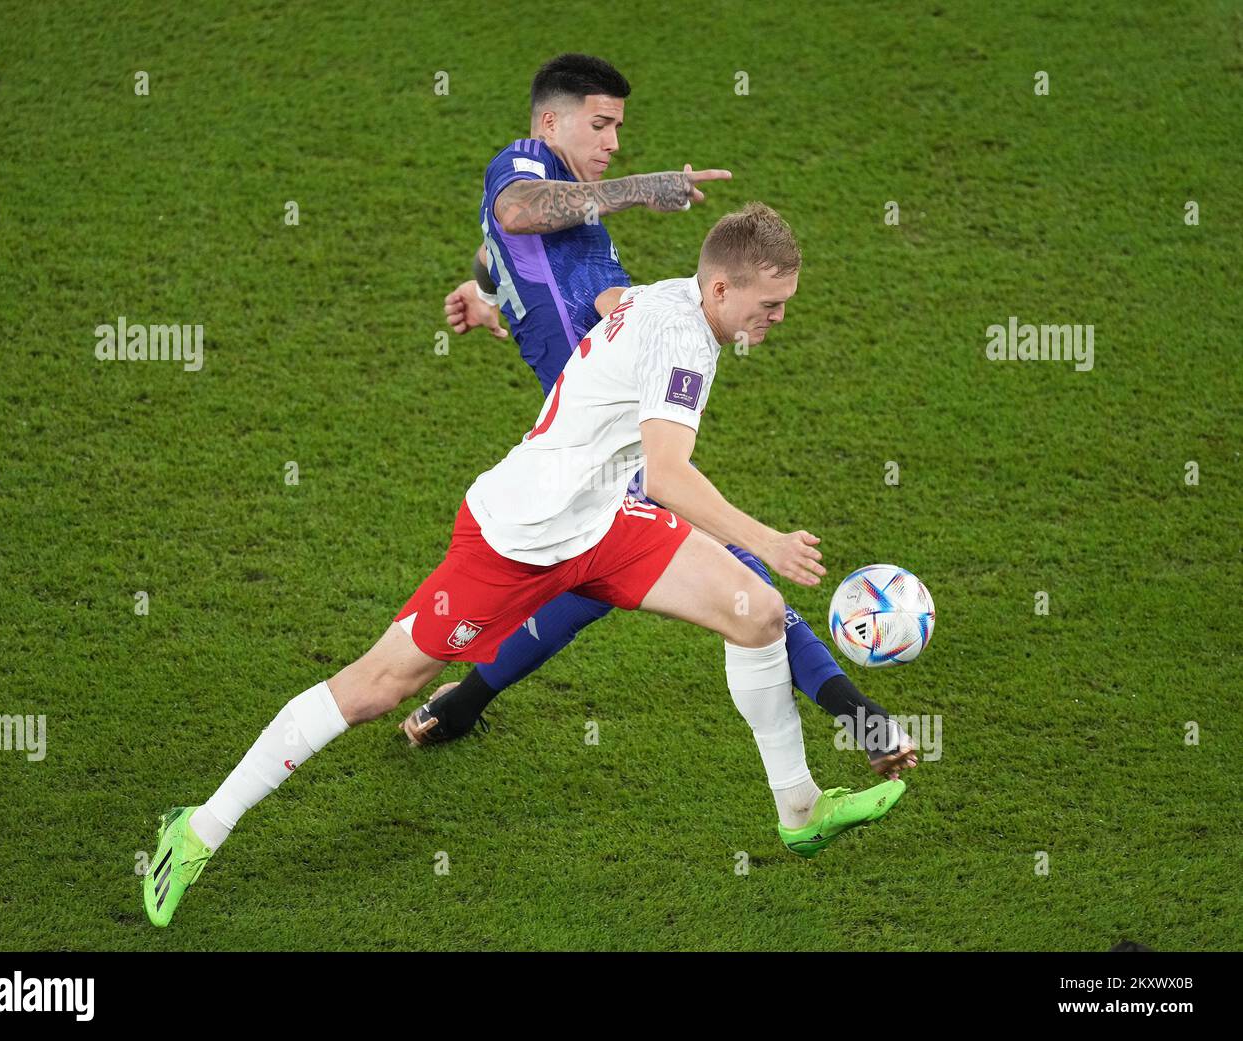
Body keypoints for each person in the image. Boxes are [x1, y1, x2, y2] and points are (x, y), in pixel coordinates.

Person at [142, 204, 907, 928]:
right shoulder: (683, 338)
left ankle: (799, 808)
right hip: (517, 539)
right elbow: (669, 476)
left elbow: (585, 312)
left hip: (603, 523)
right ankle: (200, 826)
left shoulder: (674, 299)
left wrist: (490, 295)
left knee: (757, 612)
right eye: (770, 305)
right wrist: (768, 540)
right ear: (720, 290)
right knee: (377, 687)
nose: (779, 317)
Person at [417, 53, 918, 781]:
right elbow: (520, 214)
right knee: (738, 569)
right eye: (601, 124)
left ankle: (462, 702)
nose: (614, 142)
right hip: (597, 441)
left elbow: (504, 241)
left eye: (619, 127)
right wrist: (643, 192)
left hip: (591, 442)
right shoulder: (525, 169)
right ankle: (861, 717)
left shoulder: (566, 210)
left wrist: (484, 290)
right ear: (550, 123)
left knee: (596, 584)